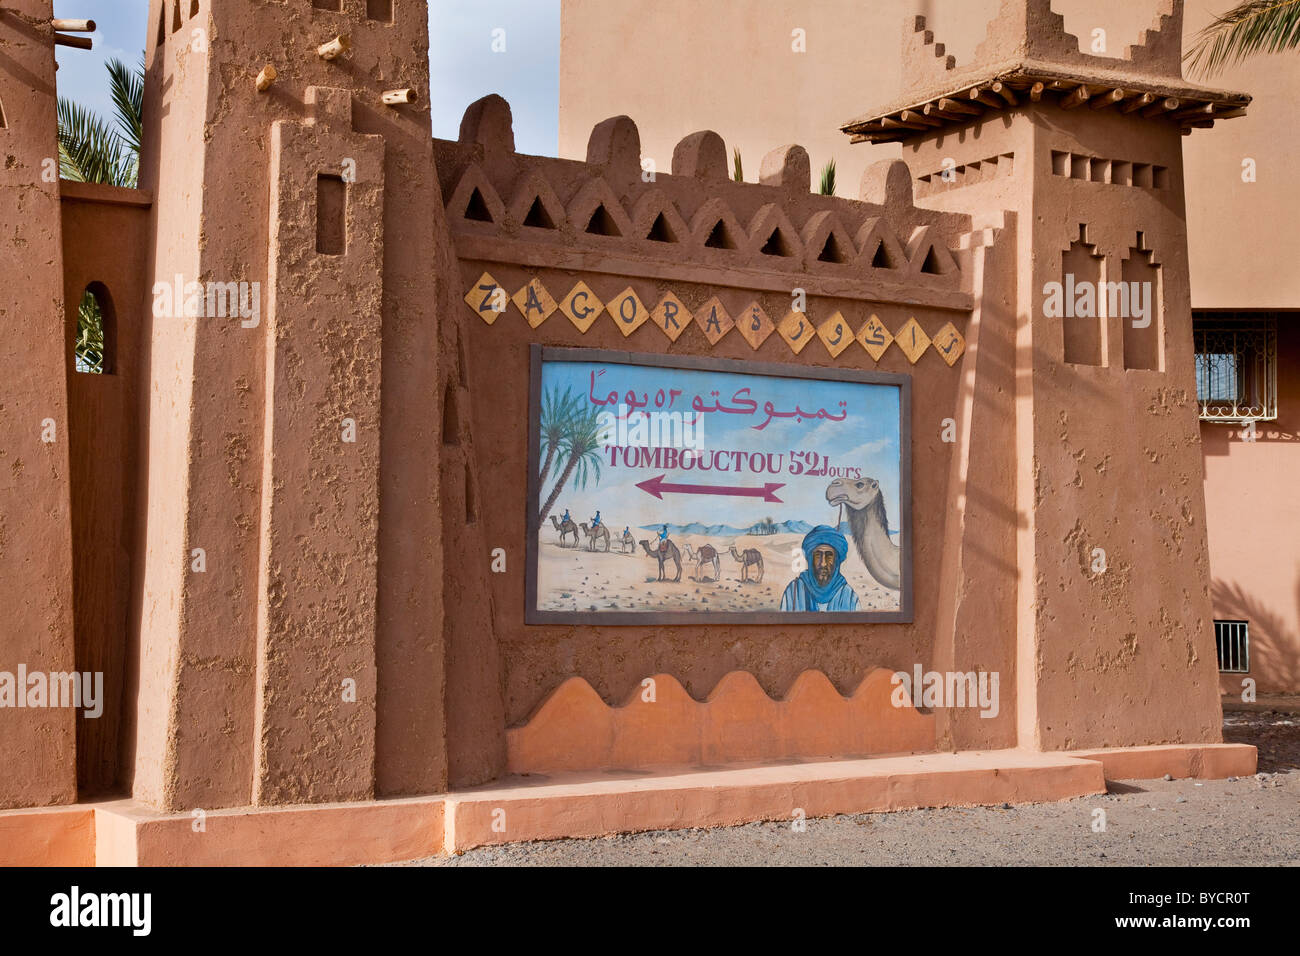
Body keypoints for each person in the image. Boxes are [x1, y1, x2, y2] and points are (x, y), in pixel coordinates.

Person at [779, 525, 861, 611]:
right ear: (810, 559)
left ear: (837, 561)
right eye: (818, 555)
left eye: (829, 556)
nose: (823, 563)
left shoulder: (849, 597)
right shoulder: (794, 591)